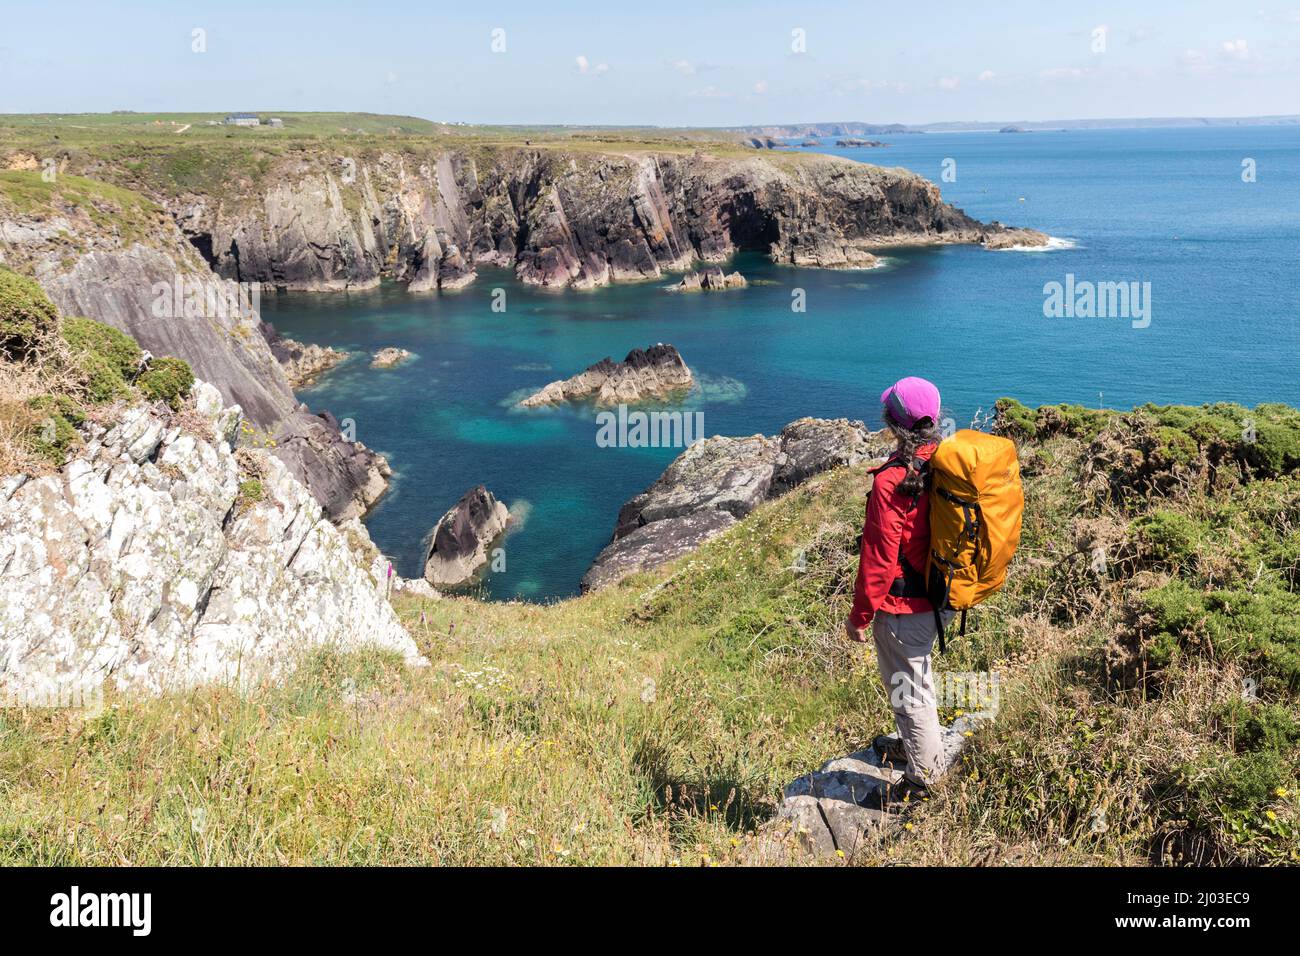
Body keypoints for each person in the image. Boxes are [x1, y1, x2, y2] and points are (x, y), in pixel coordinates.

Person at [844, 375, 949, 797]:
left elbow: (879, 559)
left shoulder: (892, 479)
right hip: (936, 595)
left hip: (903, 608)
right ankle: (920, 747)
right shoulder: (943, 461)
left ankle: (926, 780)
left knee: (909, 692)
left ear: (893, 421)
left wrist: (859, 617)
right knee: (918, 681)